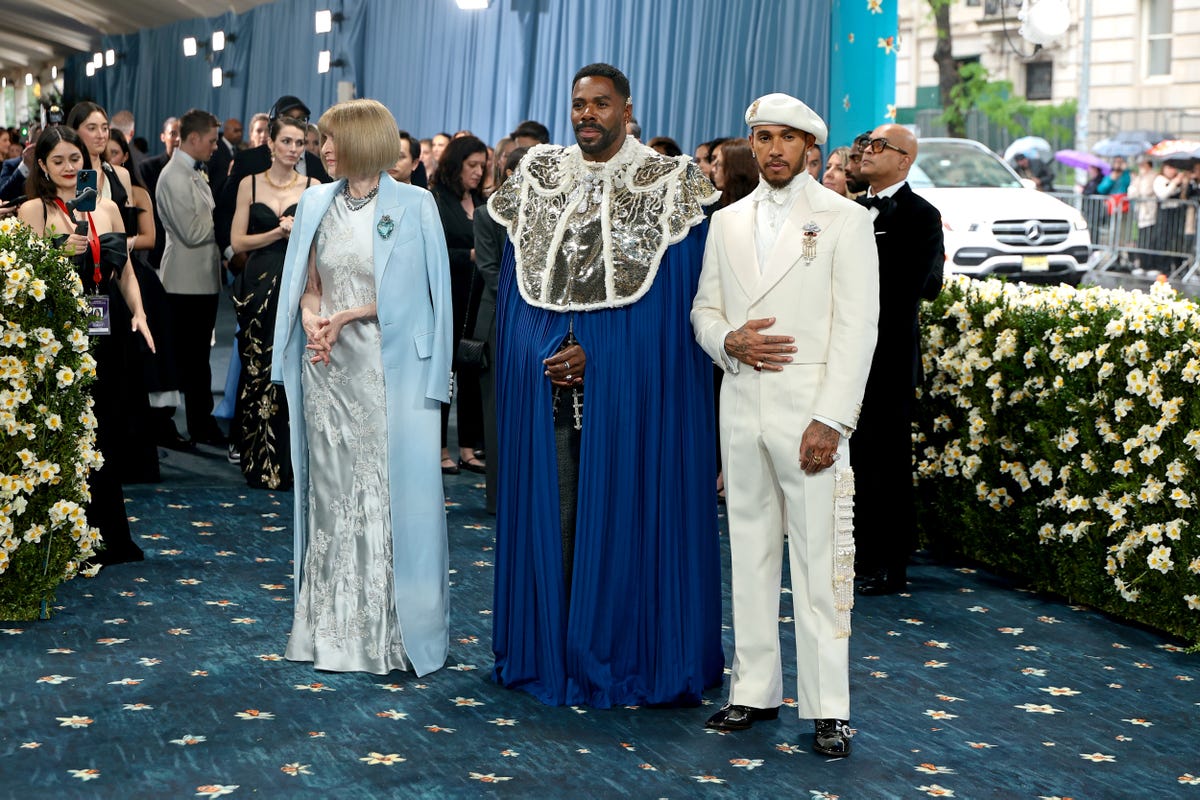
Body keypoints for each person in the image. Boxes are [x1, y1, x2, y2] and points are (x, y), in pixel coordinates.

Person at [488, 63, 724, 707]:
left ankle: (620, 648)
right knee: (558, 516)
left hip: (637, 396)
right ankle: (553, 642)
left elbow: (678, 310)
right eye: (577, 104)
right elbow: (516, 290)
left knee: (629, 516)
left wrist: (604, 357)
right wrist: (548, 349)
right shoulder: (539, 175)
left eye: (599, 104)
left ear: (625, 107)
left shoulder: (670, 185)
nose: (586, 114)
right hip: (550, 386)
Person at [692, 93, 879, 758]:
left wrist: (832, 420)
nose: (773, 148)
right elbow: (704, 311)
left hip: (810, 419)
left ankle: (829, 707)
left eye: (786, 138)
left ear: (810, 150)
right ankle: (753, 690)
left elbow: (859, 330)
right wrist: (727, 341)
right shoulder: (727, 221)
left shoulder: (844, 220)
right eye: (763, 137)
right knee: (748, 554)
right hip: (741, 410)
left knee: (819, 562)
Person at [271, 98, 453, 677]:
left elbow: (428, 298)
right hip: (327, 371)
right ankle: (331, 627)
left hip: (387, 368)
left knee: (388, 494)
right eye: (320, 140)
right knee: (330, 497)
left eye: (331, 140)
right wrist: (310, 316)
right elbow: (310, 284)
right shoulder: (316, 203)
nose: (321, 150)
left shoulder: (416, 204)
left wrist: (346, 317)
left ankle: (391, 632)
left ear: (366, 142)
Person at [18, 126, 156, 565]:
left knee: (108, 424)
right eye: (57, 161)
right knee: (66, 427)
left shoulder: (110, 206)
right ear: (42, 165)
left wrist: (139, 312)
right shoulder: (33, 210)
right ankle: (61, 541)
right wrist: (60, 249)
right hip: (59, 326)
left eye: (73, 160)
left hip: (106, 319)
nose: (68, 168)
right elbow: (27, 274)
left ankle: (109, 535)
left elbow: (126, 269)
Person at [853, 123, 945, 595]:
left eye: (878, 146)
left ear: (905, 159)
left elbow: (920, 286)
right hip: (843, 354)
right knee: (847, 459)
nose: (867, 151)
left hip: (887, 356)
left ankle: (888, 564)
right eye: (866, 145)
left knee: (885, 460)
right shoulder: (846, 209)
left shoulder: (922, 216)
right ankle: (852, 554)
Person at [229, 115, 312, 490]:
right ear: (271, 144)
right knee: (256, 366)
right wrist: (277, 231)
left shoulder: (314, 187)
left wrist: (297, 237)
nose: (294, 149)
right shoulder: (249, 183)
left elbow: (320, 245)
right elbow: (238, 242)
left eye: (300, 143)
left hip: (295, 283)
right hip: (256, 284)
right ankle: (255, 460)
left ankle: (289, 464)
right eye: (288, 142)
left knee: (291, 368)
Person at [156, 108, 227, 448]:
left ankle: (201, 422)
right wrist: (227, 217)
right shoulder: (174, 176)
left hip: (201, 279)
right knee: (190, 360)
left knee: (198, 358)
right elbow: (193, 231)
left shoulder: (194, 171)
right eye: (212, 141)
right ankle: (193, 424)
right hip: (184, 282)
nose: (215, 147)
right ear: (194, 139)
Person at [472, 145, 527, 515]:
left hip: (534, 323)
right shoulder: (486, 213)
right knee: (495, 414)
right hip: (498, 321)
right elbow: (489, 270)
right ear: (507, 173)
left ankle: (526, 494)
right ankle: (499, 498)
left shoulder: (548, 213)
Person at [430, 135, 489, 476]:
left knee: (470, 372)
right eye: (472, 166)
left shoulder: (480, 200)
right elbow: (432, 251)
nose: (479, 172)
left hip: (477, 299)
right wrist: (468, 256)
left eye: (482, 166)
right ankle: (439, 448)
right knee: (444, 376)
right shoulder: (438, 199)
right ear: (456, 165)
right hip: (448, 296)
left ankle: (468, 447)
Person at [217, 97, 331, 272]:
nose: (295, 123)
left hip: (300, 269)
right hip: (253, 266)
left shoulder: (318, 168)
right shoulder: (248, 161)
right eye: (289, 117)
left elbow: (324, 228)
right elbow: (225, 210)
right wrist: (232, 253)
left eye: (301, 119)